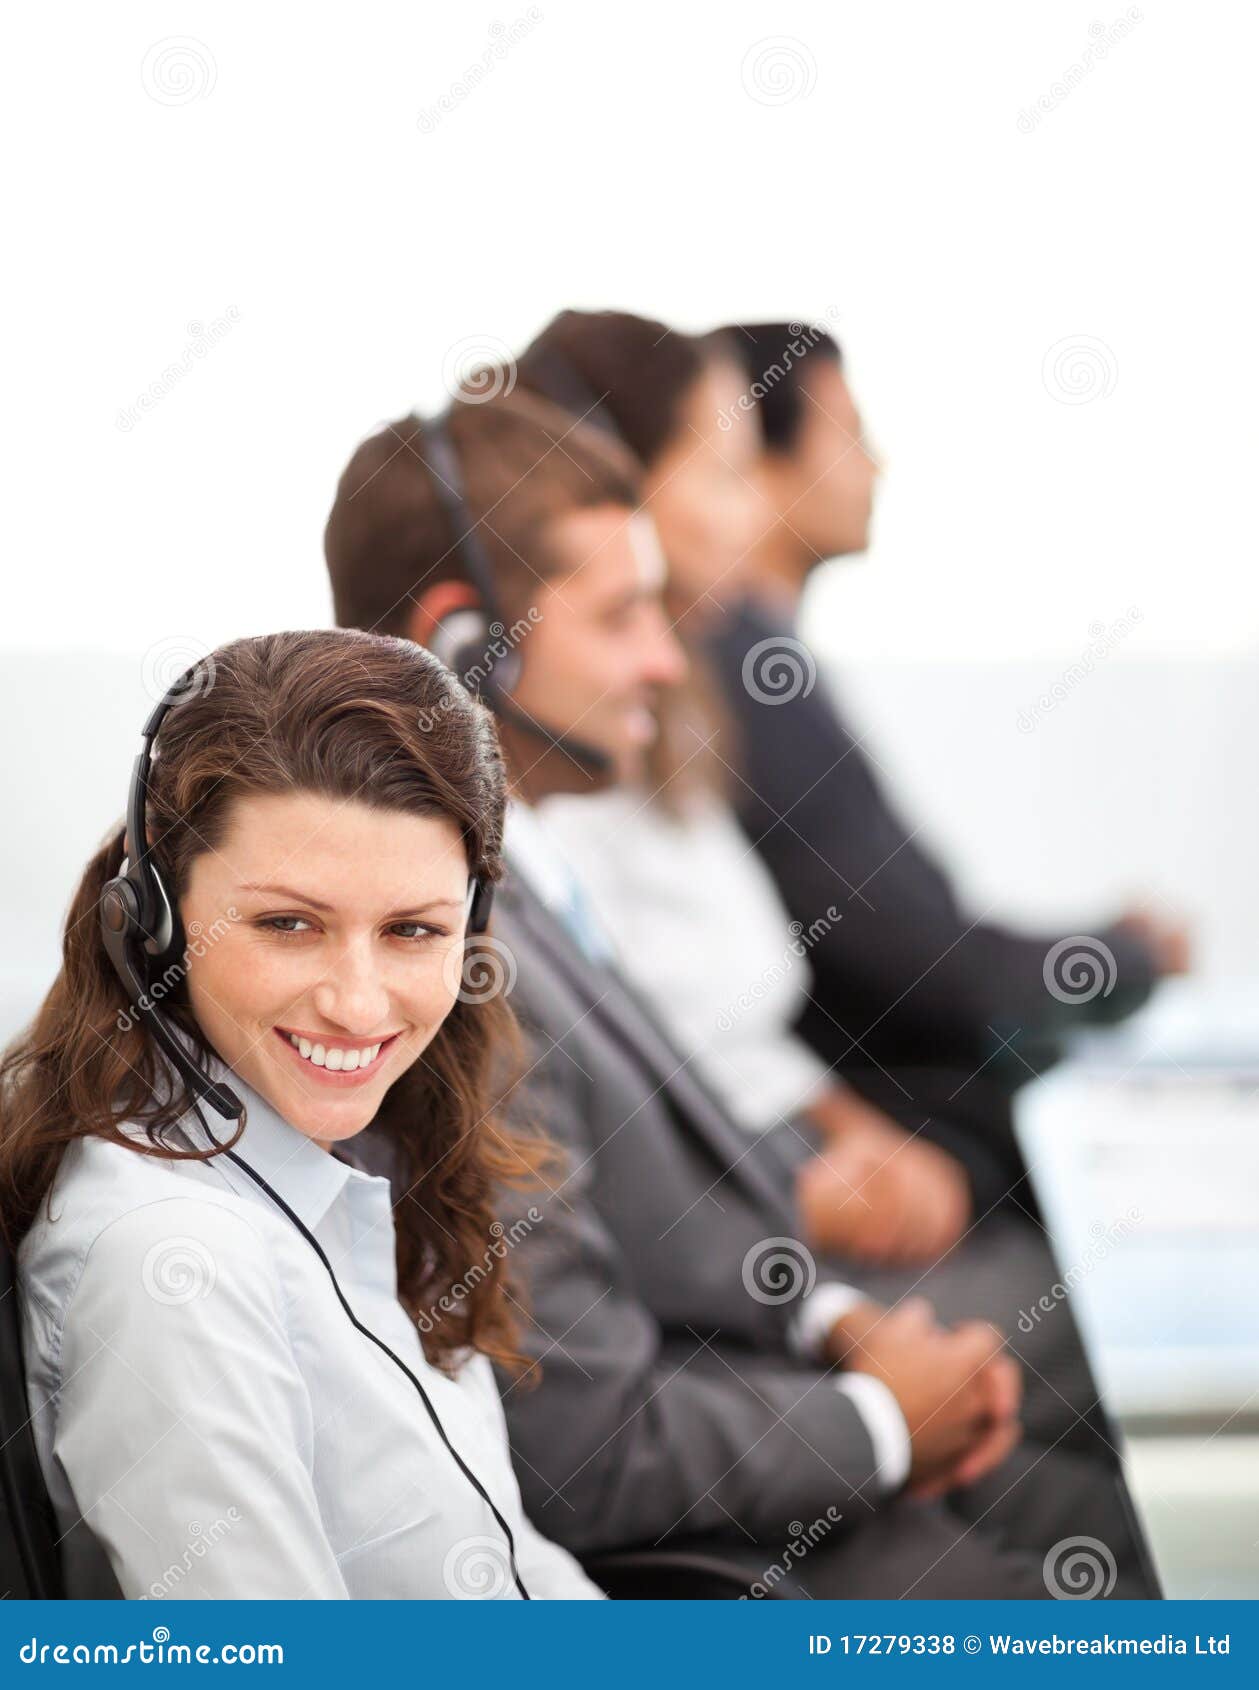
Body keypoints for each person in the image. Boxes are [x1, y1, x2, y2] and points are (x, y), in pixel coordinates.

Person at [324, 386, 1156, 1598]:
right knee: (1109, 1583)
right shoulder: (452, 964)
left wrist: (833, 1322)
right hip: (707, 1552)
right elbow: (580, 1443)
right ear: (466, 643)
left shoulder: (537, 881)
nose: (666, 658)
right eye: (620, 618)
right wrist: (877, 1418)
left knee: (1122, 1533)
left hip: (770, 1390)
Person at [2, 629, 602, 1600]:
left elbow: (511, 1565)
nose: (359, 1004)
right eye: (288, 923)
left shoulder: (356, 1159)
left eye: (413, 930)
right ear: (154, 915)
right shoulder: (174, 1262)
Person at [705, 320, 1190, 1182]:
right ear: (753, 455)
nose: (876, 466)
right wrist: (1130, 955)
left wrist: (1105, 945)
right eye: (848, 433)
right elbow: (936, 969)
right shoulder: (746, 681)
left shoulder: (763, 669)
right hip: (901, 1142)